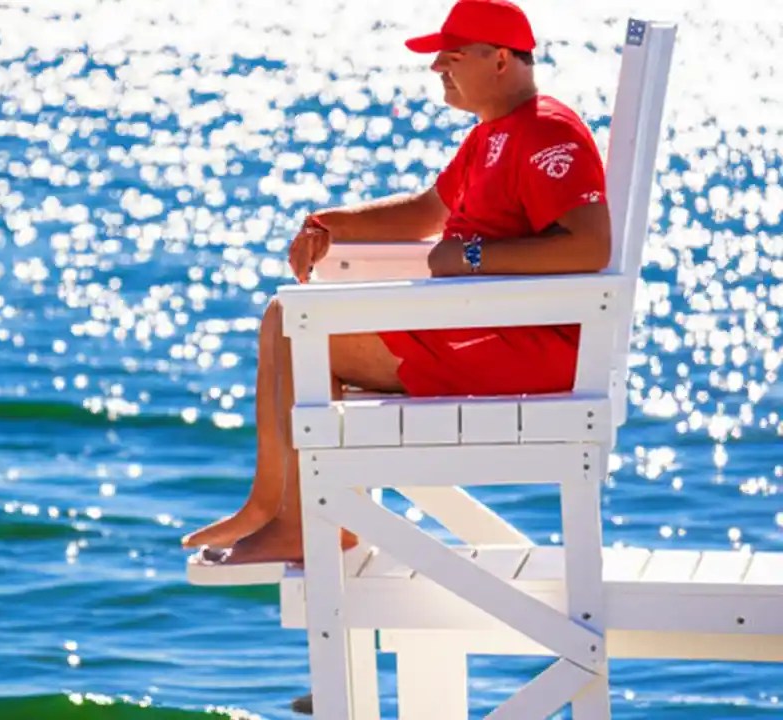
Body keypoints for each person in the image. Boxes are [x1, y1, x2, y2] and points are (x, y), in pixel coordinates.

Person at [183, 0, 613, 566]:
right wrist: (327, 222)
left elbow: (592, 246)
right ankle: (273, 504)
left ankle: (305, 521)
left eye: (452, 56)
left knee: (295, 327)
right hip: (484, 329)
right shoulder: (492, 135)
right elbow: (426, 213)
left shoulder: (547, 133)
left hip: (531, 349)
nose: (438, 68)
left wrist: (475, 256)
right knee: (285, 316)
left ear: (503, 59)